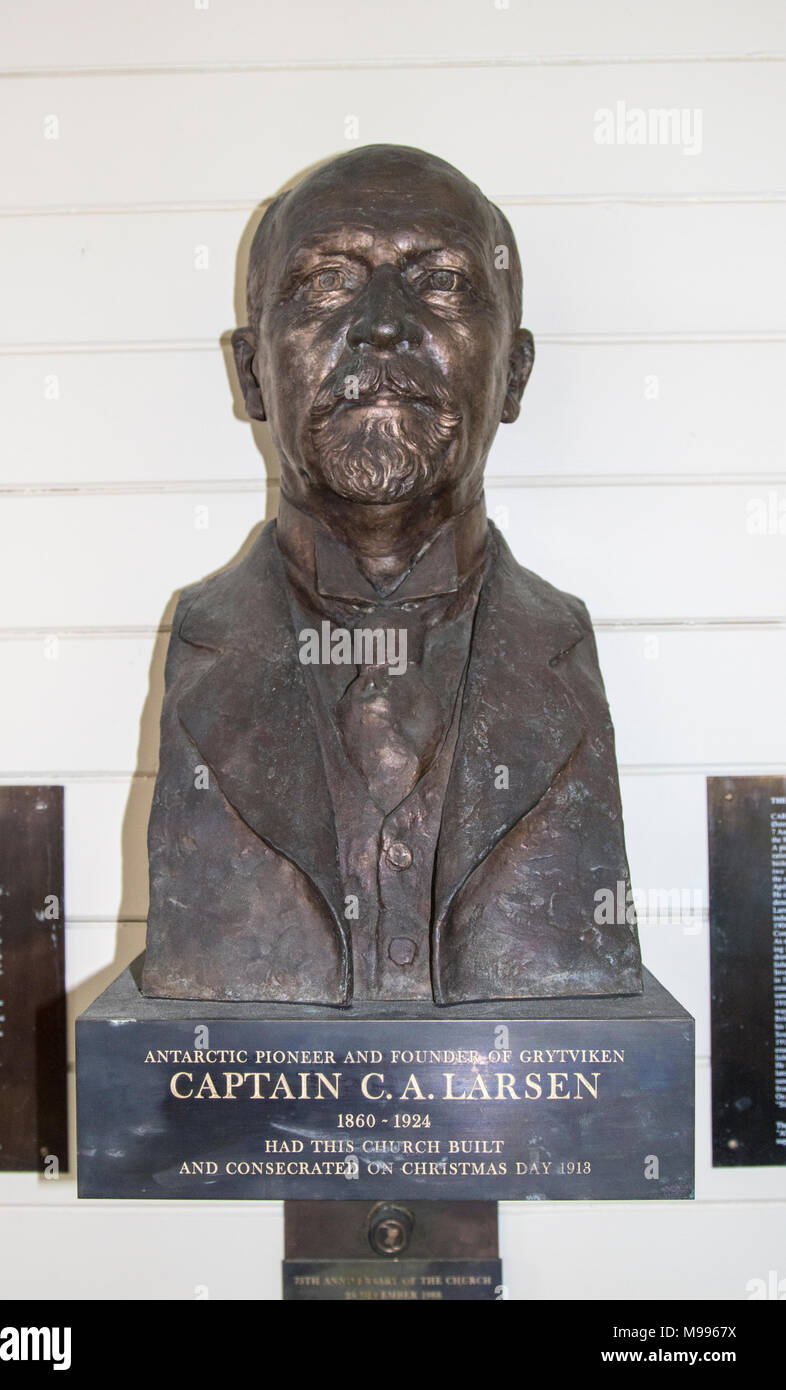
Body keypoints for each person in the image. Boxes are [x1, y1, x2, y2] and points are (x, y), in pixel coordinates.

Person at [141, 144, 642, 1006]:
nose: (380, 325)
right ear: (252, 371)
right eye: (327, 281)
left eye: (440, 281)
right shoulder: (202, 642)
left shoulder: (562, 647)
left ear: (515, 372)